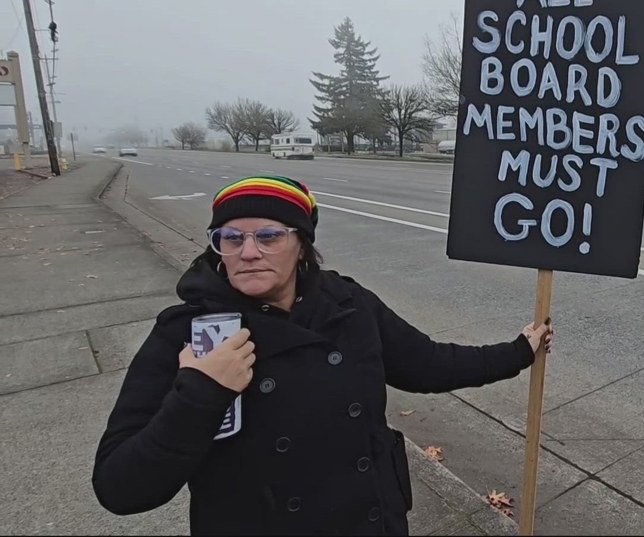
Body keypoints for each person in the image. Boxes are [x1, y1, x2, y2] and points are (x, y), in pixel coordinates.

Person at [92, 174, 552, 536]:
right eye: (231, 238)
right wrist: (199, 394)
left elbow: (428, 364)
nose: (248, 252)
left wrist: (517, 352)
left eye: (268, 236)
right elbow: (120, 487)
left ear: (301, 244)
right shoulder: (188, 333)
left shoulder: (349, 304)